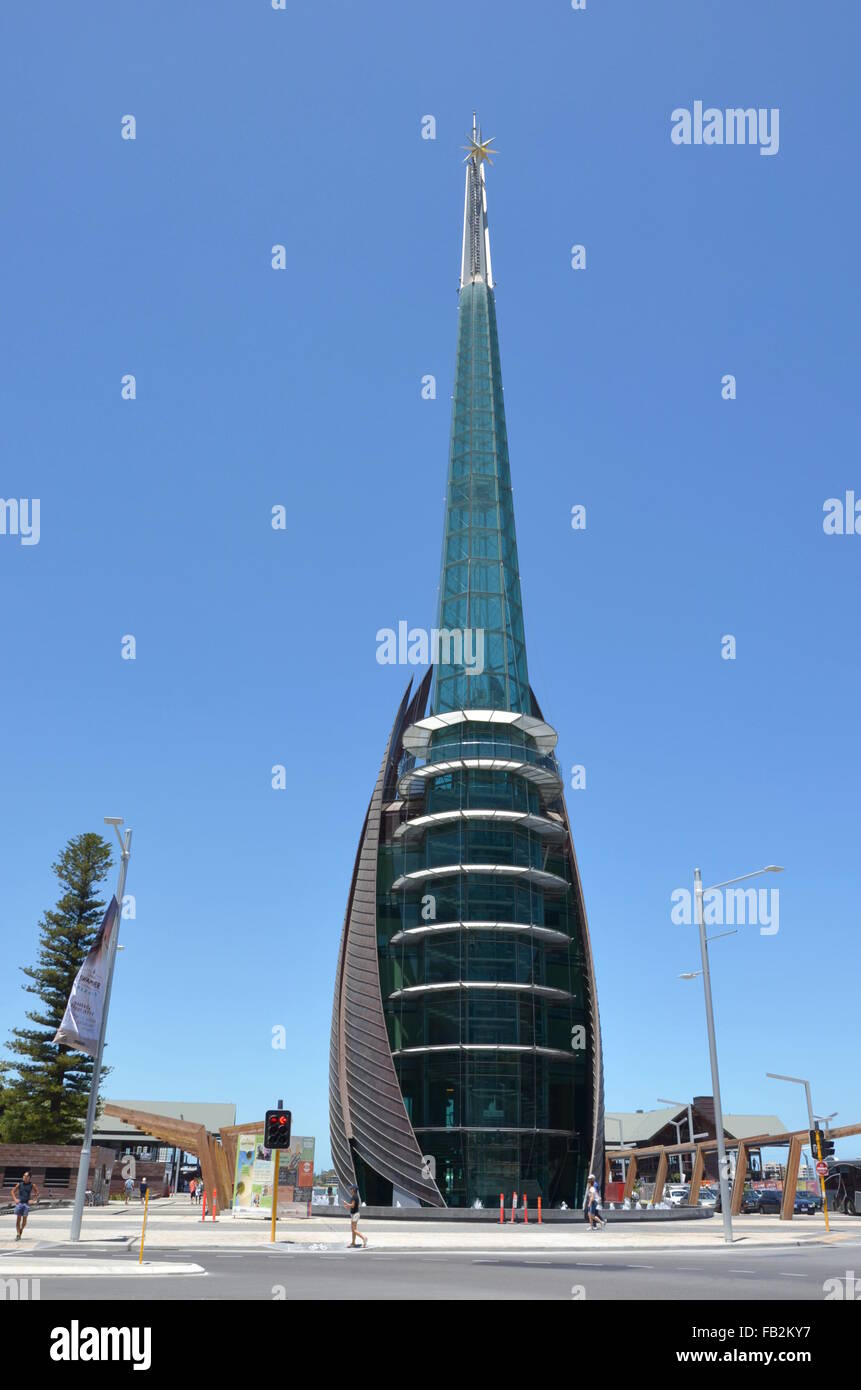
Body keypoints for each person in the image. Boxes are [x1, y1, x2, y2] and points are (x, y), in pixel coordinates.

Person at [12, 1171, 39, 1241]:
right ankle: (18, 1234)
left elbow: (37, 1192)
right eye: (24, 1176)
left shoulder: (32, 1185)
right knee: (18, 1219)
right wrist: (15, 1199)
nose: (24, 1177)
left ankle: (21, 1230)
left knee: (24, 1220)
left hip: (26, 1204)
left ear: (29, 1177)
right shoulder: (19, 1184)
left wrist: (33, 1200)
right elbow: (12, 1191)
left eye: (26, 1176)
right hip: (20, 1203)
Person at [342, 1184, 367, 1248]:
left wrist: (346, 1203)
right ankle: (353, 1243)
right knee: (353, 1229)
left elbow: (352, 1205)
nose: (350, 1190)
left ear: (354, 1190)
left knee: (354, 1230)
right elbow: (353, 1206)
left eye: (351, 1189)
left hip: (355, 1215)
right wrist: (347, 1206)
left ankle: (364, 1238)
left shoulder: (354, 1196)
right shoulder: (355, 1196)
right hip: (355, 1214)